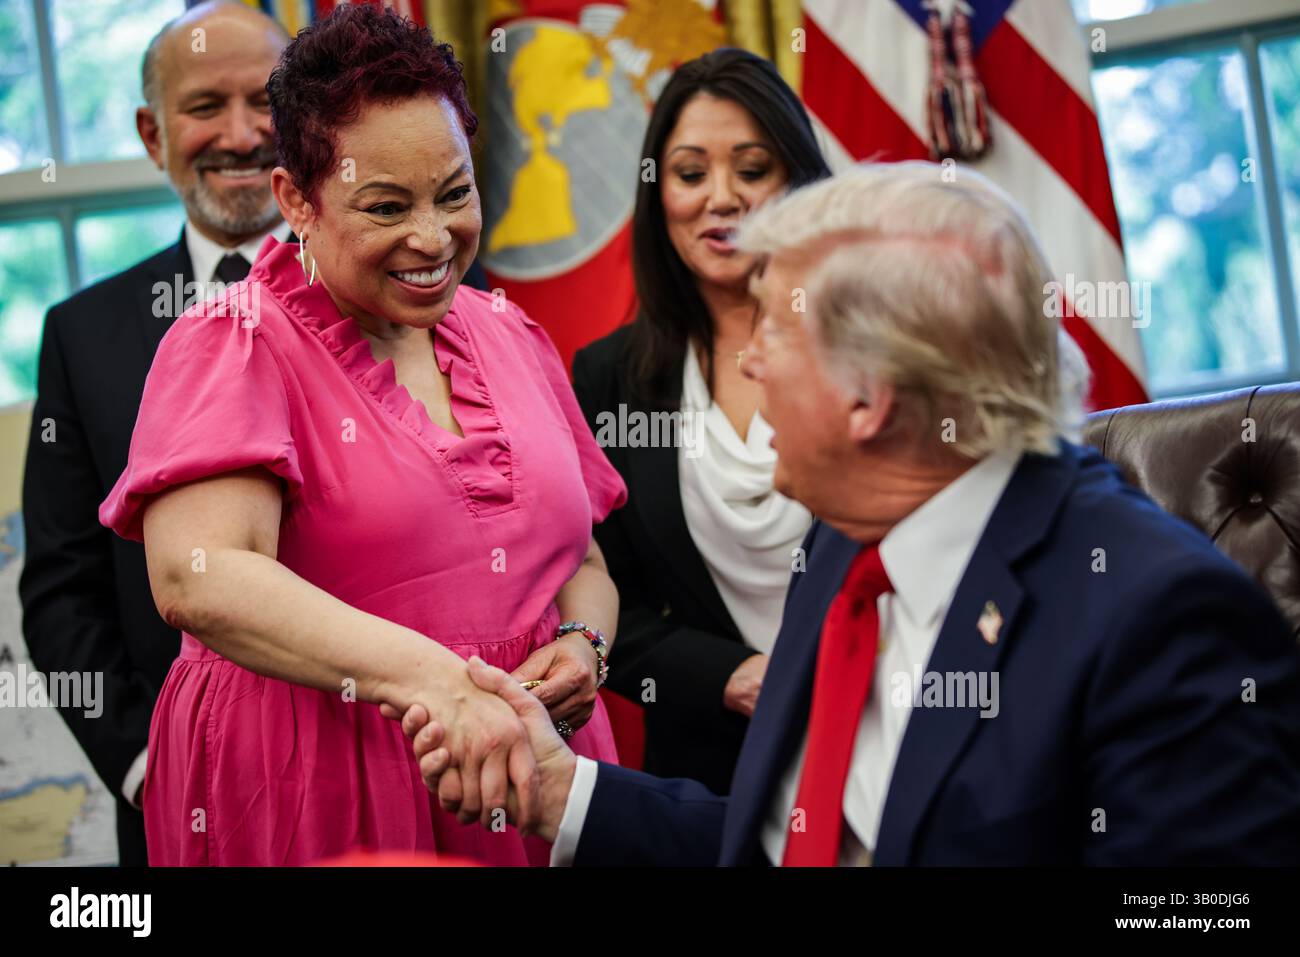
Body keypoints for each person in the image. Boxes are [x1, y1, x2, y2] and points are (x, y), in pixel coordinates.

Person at [399, 162, 1300, 865]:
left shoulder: (1159, 620)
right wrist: (563, 792)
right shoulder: (843, 550)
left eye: (775, 334)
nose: (748, 366)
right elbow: (796, 840)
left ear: (870, 398)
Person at [97, 3, 625, 866]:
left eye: (455, 193)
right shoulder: (235, 340)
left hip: (532, 773)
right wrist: (435, 682)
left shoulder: (510, 331)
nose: (432, 237)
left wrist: (584, 645)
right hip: (325, 784)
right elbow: (198, 578)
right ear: (294, 199)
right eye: (385, 206)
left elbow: (583, 562)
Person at [20, 0, 291, 866]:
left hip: (395, 781)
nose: (244, 135)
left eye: (268, 101)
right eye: (206, 106)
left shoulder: (393, 295)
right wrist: (149, 767)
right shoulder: (81, 334)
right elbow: (62, 593)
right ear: (151, 134)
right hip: (184, 816)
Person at [571, 48, 829, 795]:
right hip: (713, 767)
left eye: (753, 170)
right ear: (659, 195)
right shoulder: (608, 376)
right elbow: (597, 586)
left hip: (887, 722)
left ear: (800, 185)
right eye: (690, 174)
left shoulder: (870, 343)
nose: (722, 198)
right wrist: (731, 675)